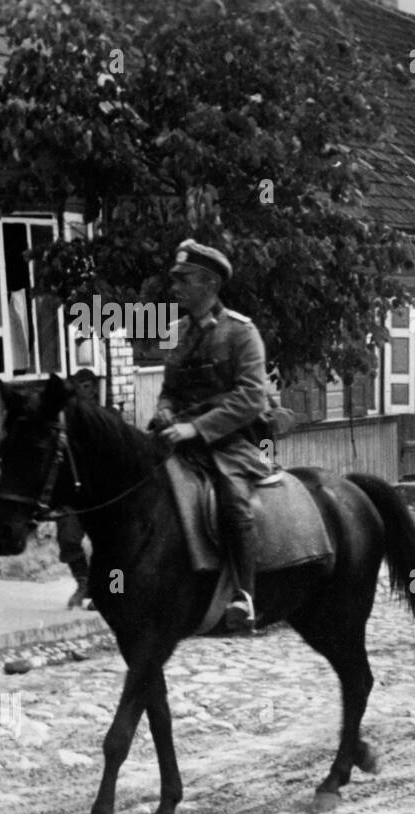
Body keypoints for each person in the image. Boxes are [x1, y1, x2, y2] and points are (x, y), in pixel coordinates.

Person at [152, 239, 272, 631]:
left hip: (229, 443)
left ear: (209, 283)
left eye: (184, 280)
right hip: (176, 438)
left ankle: (245, 594)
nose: (176, 288)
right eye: (175, 280)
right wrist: (166, 413)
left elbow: (252, 396)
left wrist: (197, 428)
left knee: (231, 500)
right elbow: (168, 389)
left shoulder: (241, 332)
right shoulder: (175, 331)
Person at [58, 368, 102, 610]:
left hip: (104, 492)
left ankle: (109, 591)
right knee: (67, 538)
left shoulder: (108, 415)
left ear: (95, 388)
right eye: (77, 386)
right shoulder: (66, 420)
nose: (82, 391)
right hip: (75, 493)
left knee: (106, 546)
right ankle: (83, 582)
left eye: (87, 386)